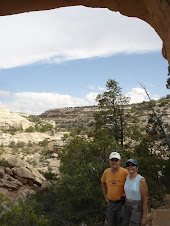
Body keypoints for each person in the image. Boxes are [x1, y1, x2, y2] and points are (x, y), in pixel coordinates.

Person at [101, 152, 128, 226]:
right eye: (112, 160)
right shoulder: (106, 172)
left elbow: (132, 183)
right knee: (111, 223)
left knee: (121, 223)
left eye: (116, 160)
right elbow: (103, 182)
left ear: (119, 161)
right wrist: (105, 196)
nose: (114, 162)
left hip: (121, 203)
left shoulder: (125, 172)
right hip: (111, 203)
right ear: (109, 161)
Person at [122, 159, 148, 226]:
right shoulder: (127, 177)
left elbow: (145, 199)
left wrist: (144, 217)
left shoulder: (141, 180)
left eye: (132, 165)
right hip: (127, 205)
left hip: (136, 207)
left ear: (137, 167)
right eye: (128, 165)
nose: (130, 167)